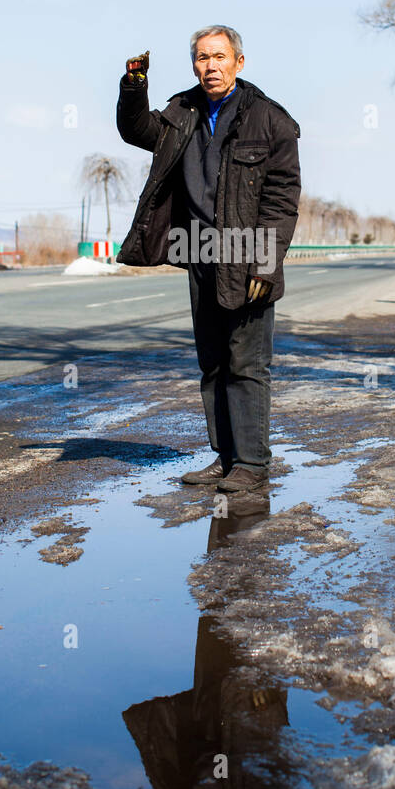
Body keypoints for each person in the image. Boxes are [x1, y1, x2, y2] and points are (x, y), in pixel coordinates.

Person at [116, 26, 301, 493]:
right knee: (213, 362)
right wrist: (134, 85)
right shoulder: (183, 111)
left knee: (246, 363)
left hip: (247, 256)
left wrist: (265, 261)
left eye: (219, 57)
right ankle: (225, 458)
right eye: (202, 58)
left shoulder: (271, 120)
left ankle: (253, 464)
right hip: (198, 251)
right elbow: (137, 130)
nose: (210, 66)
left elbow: (281, 201)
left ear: (240, 62)